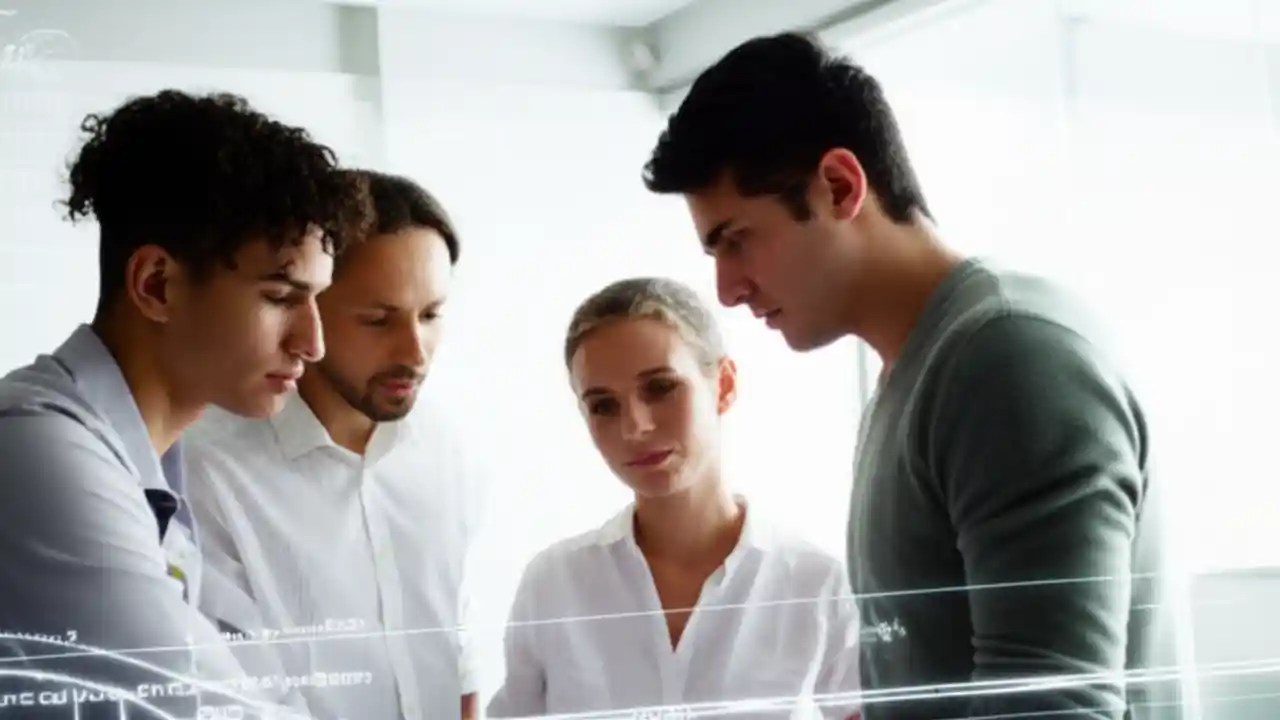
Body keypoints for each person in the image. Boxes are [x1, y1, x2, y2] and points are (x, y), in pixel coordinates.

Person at [643, 32, 1185, 720]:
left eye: (736, 239)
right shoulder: (920, 373)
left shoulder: (1007, 358)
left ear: (840, 186)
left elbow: (1053, 708)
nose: (725, 289)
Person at [0, 90, 366, 718]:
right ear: (157, 285)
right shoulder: (34, 449)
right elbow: (203, 705)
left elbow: (266, 689)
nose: (314, 343)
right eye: (281, 296)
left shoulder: (154, 464)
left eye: (317, 300)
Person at [183, 170, 486, 720]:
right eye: (378, 320)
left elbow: (457, 658)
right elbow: (233, 698)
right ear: (308, 309)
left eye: (431, 315)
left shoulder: (446, 447)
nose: (415, 351)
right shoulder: (207, 470)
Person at [487, 277, 861, 719]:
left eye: (660, 388)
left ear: (722, 384)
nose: (635, 427)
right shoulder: (552, 584)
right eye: (604, 405)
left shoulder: (814, 584)